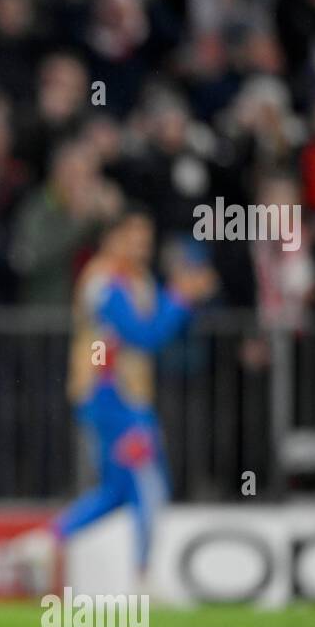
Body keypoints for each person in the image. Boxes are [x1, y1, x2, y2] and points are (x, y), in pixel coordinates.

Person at [50, 208, 217, 585]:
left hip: (124, 397)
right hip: (113, 397)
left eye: (146, 239)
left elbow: (153, 329)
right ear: (111, 239)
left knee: (117, 490)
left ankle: (50, 539)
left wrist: (183, 296)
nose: (142, 247)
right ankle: (145, 578)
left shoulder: (134, 279)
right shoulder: (104, 282)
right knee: (148, 482)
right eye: (133, 238)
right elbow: (145, 335)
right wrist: (181, 297)